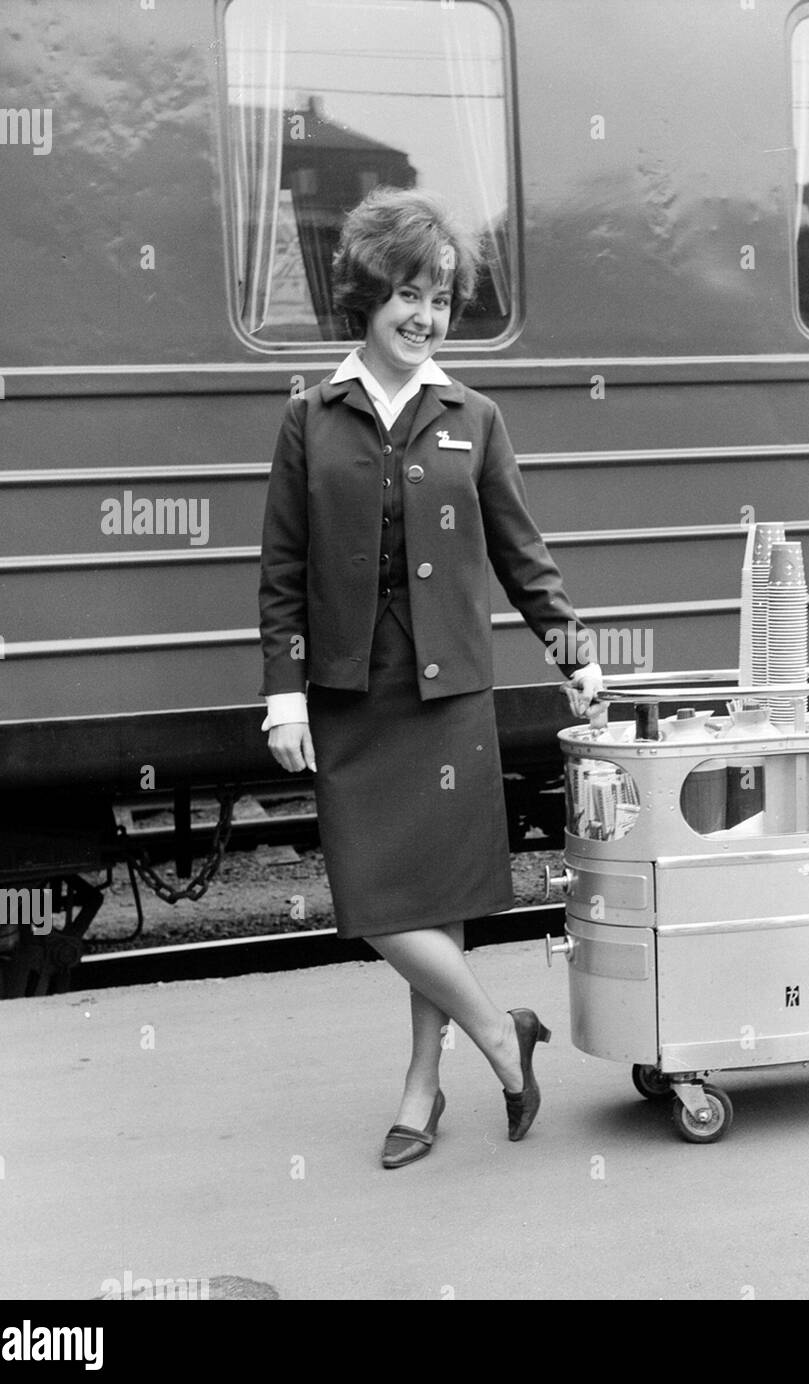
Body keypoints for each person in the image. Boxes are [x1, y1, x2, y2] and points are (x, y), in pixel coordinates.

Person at [258, 188, 603, 1168]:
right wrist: (282, 692)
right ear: (365, 298)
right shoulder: (309, 419)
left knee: (431, 900)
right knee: (375, 899)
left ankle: (420, 1090)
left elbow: (524, 560)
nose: (425, 315)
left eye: (440, 297)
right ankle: (504, 1034)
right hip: (351, 699)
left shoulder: (472, 417)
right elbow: (281, 571)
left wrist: (579, 663)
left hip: (450, 698)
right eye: (408, 293)